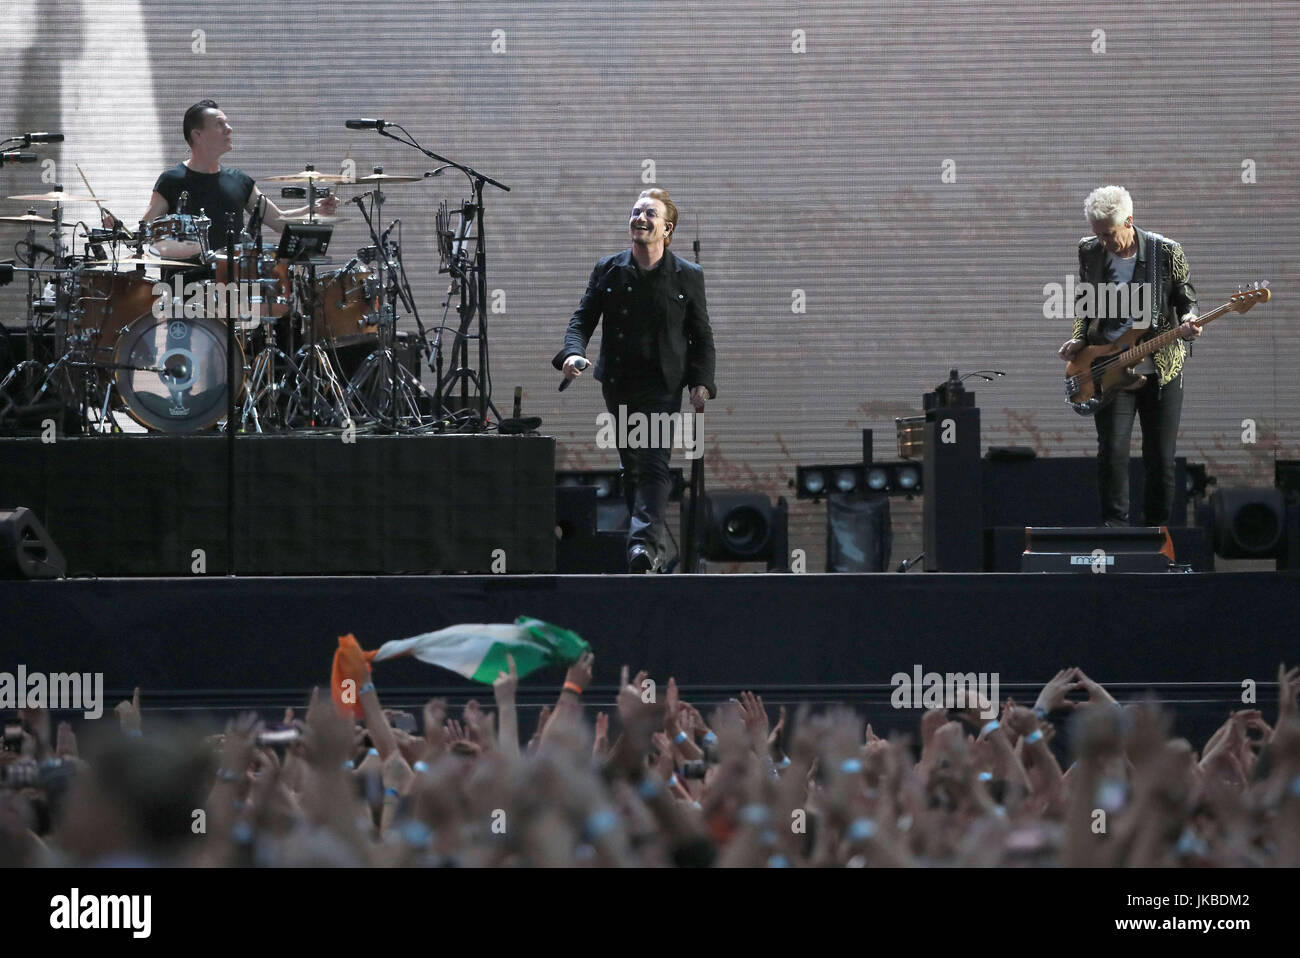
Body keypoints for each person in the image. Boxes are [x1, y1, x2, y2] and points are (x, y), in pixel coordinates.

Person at [554, 188, 717, 572]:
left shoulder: (687, 276)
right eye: (636, 211)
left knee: (655, 461)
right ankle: (650, 553)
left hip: (662, 384)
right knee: (633, 467)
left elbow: (701, 335)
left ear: (666, 228)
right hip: (620, 381)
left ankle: (641, 547)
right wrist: (572, 353)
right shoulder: (608, 269)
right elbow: (582, 319)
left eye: (649, 214)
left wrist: (701, 382)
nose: (640, 218)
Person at [1058, 186, 1200, 526]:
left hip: (1161, 367)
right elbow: (1086, 304)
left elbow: (1186, 297)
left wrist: (1190, 318)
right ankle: (1115, 529)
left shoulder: (1166, 251)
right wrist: (1079, 339)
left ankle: (1156, 534)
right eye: (1098, 234)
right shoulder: (1089, 251)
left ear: (1129, 221)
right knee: (1113, 452)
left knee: (1161, 459)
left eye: (1109, 234)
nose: (1104, 242)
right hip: (1109, 366)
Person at [134, 100, 338, 265]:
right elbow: (146, 228)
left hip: (232, 285)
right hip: (183, 288)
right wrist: (119, 230)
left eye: (227, 123)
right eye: (219, 124)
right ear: (197, 135)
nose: (229, 129)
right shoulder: (172, 180)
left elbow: (278, 220)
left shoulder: (240, 181)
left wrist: (313, 209)